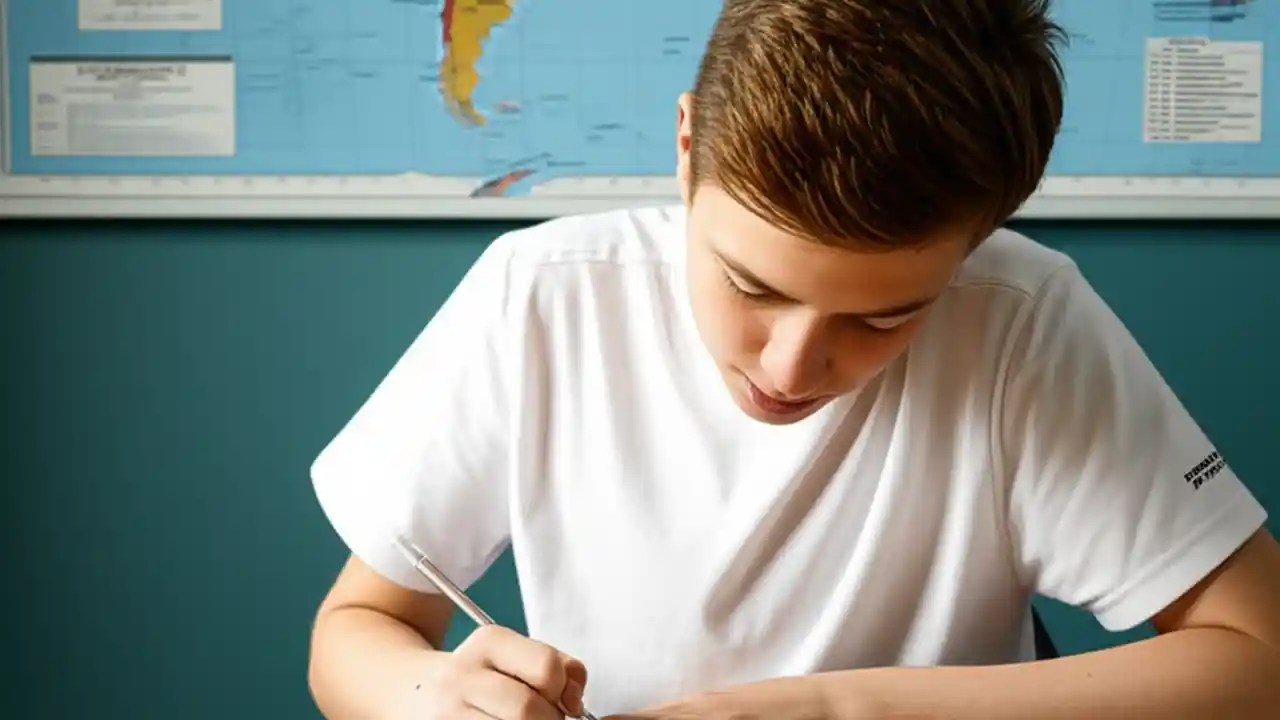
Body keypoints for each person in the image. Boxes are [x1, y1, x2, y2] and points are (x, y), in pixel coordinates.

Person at [305, 1, 1280, 718]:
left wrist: (834, 711)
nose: (791, 366)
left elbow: (1257, 657)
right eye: (751, 286)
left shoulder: (1022, 319)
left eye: (886, 317)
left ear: (975, 243)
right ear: (686, 148)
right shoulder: (541, 294)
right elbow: (352, 632)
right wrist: (428, 694)